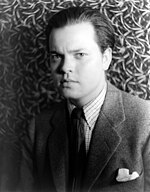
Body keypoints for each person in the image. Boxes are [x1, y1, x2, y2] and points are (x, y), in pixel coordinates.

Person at [19, 6, 150, 192]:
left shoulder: (145, 121)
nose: (65, 68)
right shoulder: (38, 128)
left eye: (80, 55)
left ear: (106, 58)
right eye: (56, 56)